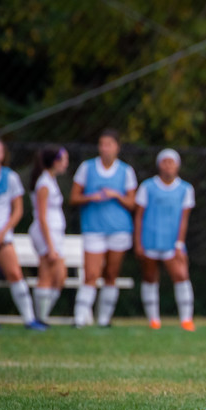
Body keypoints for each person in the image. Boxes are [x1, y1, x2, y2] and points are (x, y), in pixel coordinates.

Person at [69, 129, 137, 327]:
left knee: (111, 274)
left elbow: (132, 203)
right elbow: (74, 197)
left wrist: (117, 195)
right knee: (91, 274)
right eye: (101, 144)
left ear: (117, 147)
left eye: (109, 144)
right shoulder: (87, 168)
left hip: (119, 229)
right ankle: (80, 318)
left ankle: (104, 319)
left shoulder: (126, 171)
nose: (104, 148)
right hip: (93, 229)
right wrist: (91, 197)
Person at [133, 148, 196, 331]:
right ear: (159, 164)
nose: (168, 166)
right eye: (165, 162)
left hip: (172, 242)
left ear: (177, 165)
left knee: (181, 276)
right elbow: (139, 216)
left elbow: (184, 219)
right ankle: (153, 319)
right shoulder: (147, 187)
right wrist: (138, 242)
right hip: (150, 239)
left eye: (171, 162)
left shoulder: (185, 188)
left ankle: (186, 319)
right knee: (150, 277)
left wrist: (179, 243)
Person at [0, 136, 48, 330]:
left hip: (2, 237)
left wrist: (3, 232)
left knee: (15, 273)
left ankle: (29, 319)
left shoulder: (11, 177)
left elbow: (18, 210)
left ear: (3, 154)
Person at [28, 145, 70, 324]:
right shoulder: (43, 184)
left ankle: (42, 316)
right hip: (46, 235)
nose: (66, 164)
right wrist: (50, 246)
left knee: (60, 276)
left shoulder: (50, 180)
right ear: (55, 162)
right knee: (46, 275)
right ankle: (40, 319)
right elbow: (42, 217)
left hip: (54, 235)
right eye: (64, 160)